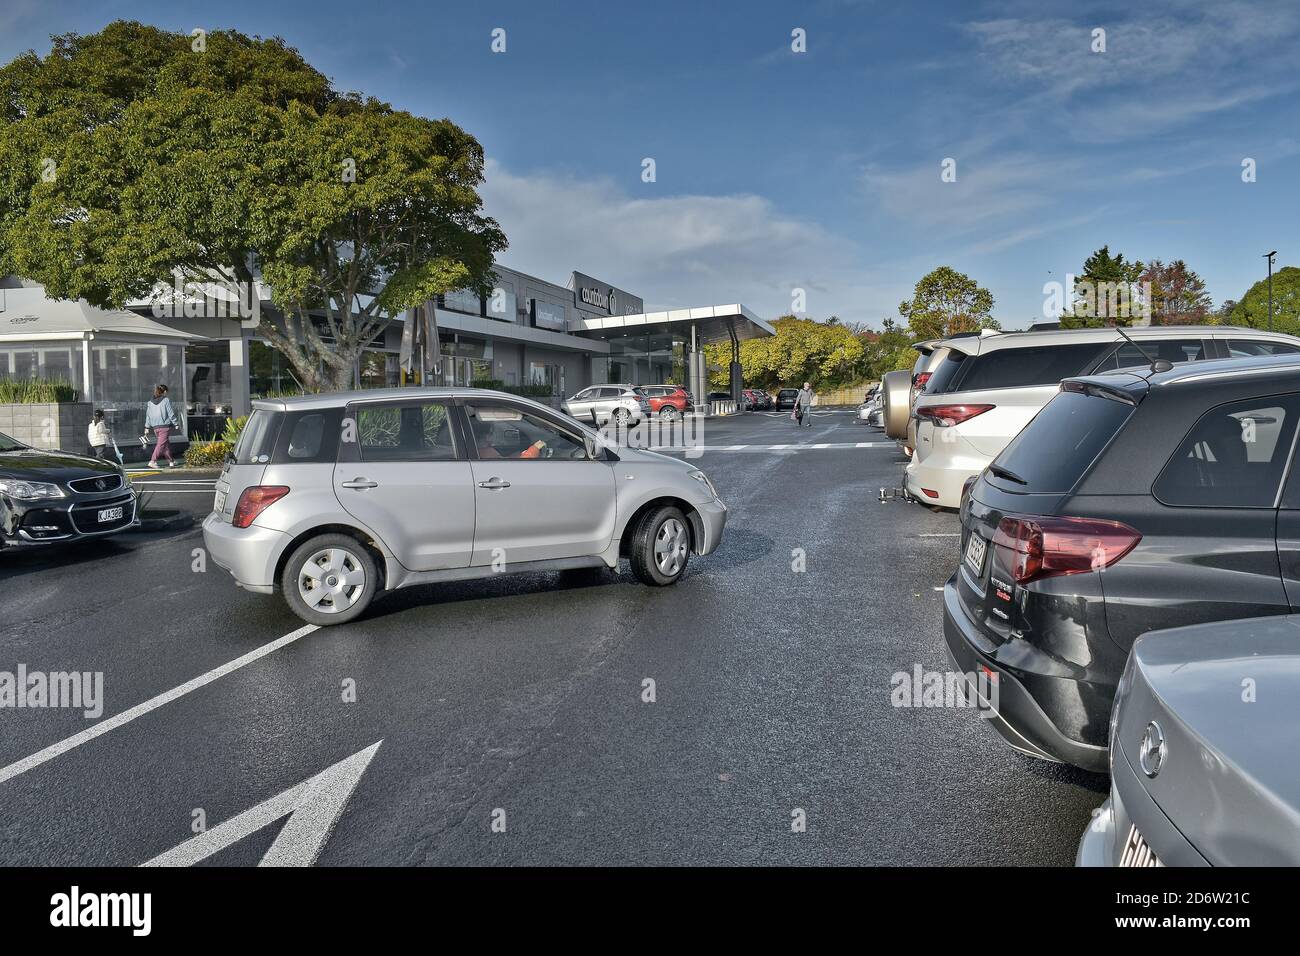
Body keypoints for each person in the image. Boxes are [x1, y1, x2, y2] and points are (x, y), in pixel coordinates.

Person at [144, 384, 179, 469]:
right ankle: (152, 461)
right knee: (161, 445)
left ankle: (171, 461)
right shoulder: (166, 400)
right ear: (165, 392)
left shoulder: (150, 402)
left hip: (155, 427)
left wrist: (147, 427)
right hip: (164, 427)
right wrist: (176, 423)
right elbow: (170, 413)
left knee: (164, 444)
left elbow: (148, 415)